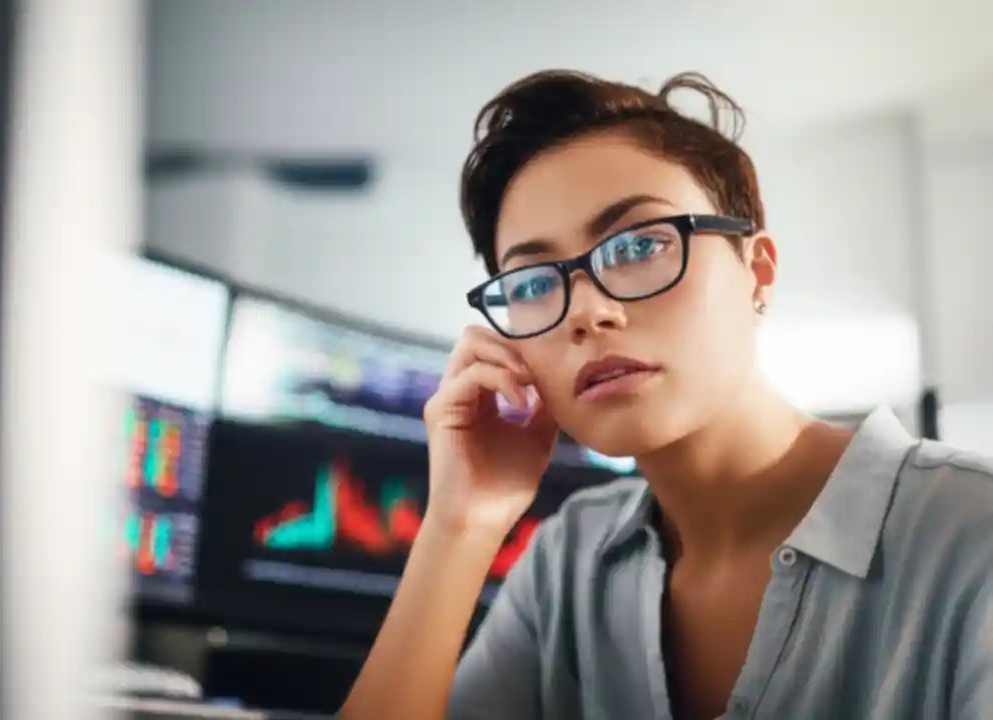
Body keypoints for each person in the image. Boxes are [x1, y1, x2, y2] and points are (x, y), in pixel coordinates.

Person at [340, 70, 993, 720]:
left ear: (757, 272)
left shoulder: (971, 533)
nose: (587, 313)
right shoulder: (566, 565)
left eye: (640, 245)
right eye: (534, 284)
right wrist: (460, 524)